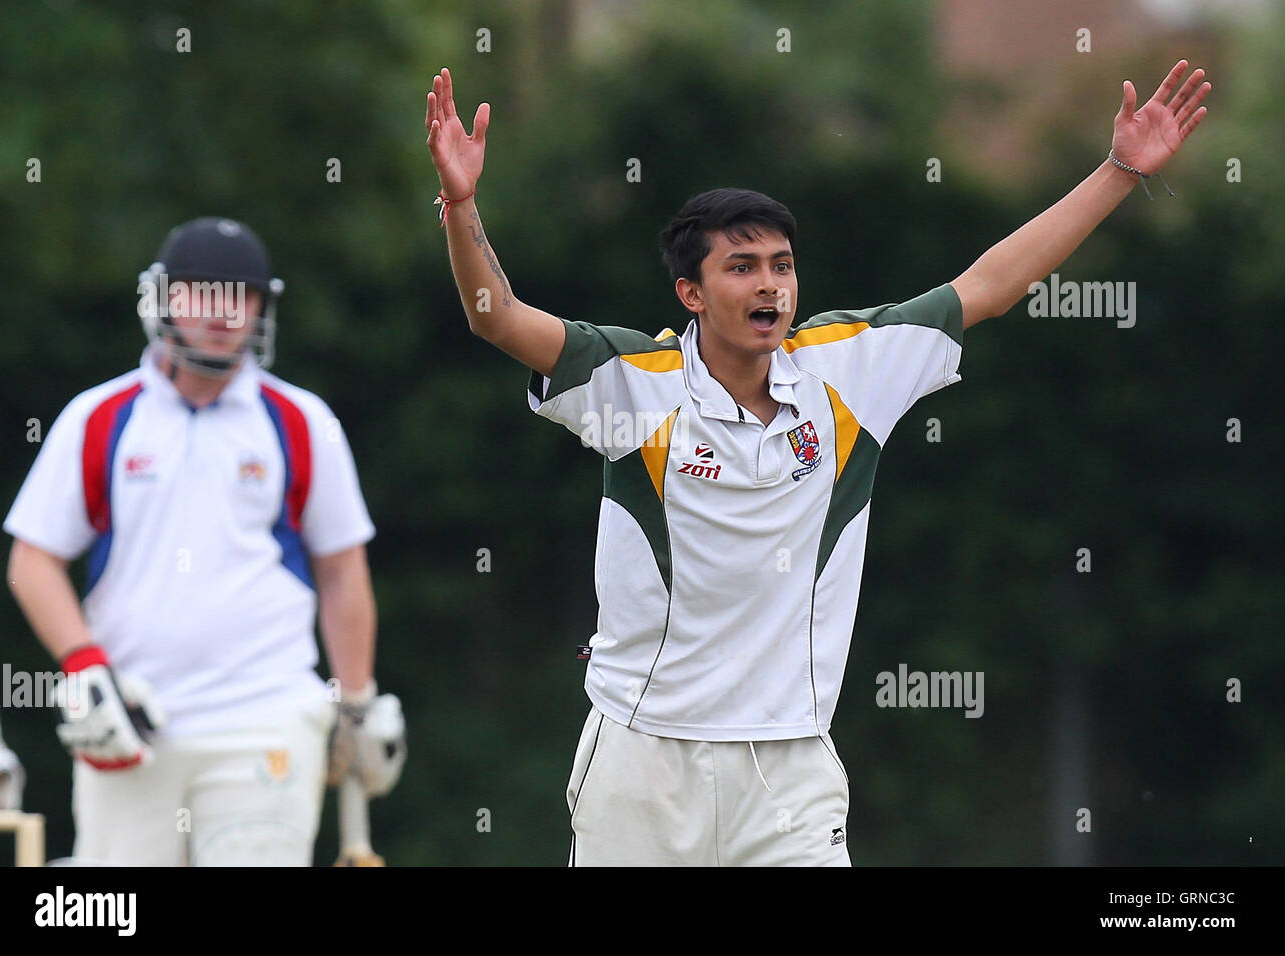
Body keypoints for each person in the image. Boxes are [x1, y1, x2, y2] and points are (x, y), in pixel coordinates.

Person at [424, 61, 1209, 865]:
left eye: (782, 265)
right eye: (742, 267)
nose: (771, 286)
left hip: (790, 766)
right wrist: (460, 204)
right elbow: (500, 321)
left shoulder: (849, 368)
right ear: (691, 294)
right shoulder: (635, 384)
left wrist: (1118, 172)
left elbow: (991, 285)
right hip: (642, 760)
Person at [3, 217, 405, 866]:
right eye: (203, 292)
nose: (222, 312)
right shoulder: (98, 417)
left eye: (239, 295)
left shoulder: (301, 421)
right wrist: (83, 664)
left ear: (262, 308)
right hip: (131, 721)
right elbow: (32, 560)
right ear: (163, 299)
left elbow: (341, 570)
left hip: (265, 715)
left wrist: (355, 702)